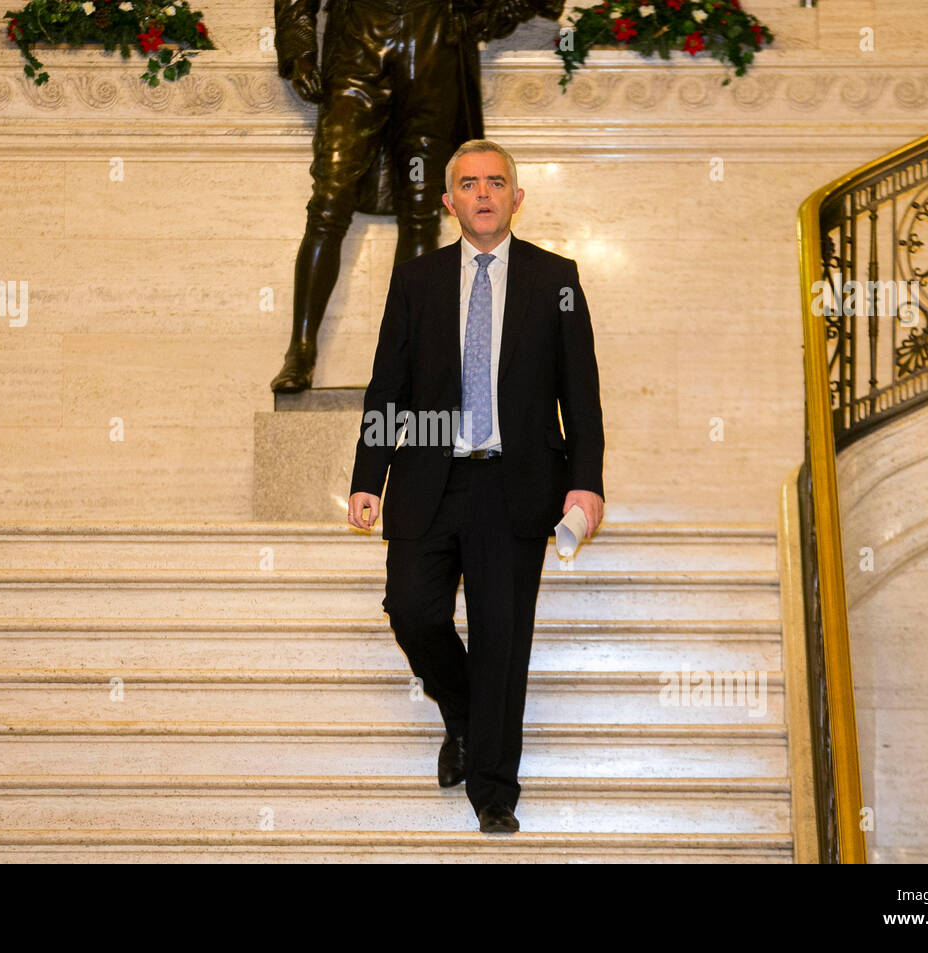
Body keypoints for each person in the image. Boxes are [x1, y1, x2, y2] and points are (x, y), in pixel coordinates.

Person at [346, 139, 605, 833]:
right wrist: (368, 477)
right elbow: (387, 387)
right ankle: (462, 714)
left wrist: (586, 483)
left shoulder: (557, 276)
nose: (483, 193)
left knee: (502, 638)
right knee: (413, 610)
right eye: (469, 183)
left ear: (517, 198)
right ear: (448, 200)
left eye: (496, 182)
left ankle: (494, 791)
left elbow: (580, 393)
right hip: (429, 474)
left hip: (516, 485)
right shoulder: (417, 279)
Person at [270, 0, 565, 393]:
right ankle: (301, 350)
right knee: (329, 198)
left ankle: (407, 354)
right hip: (356, 40)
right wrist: (299, 50)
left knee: (421, 206)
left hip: (431, 41)